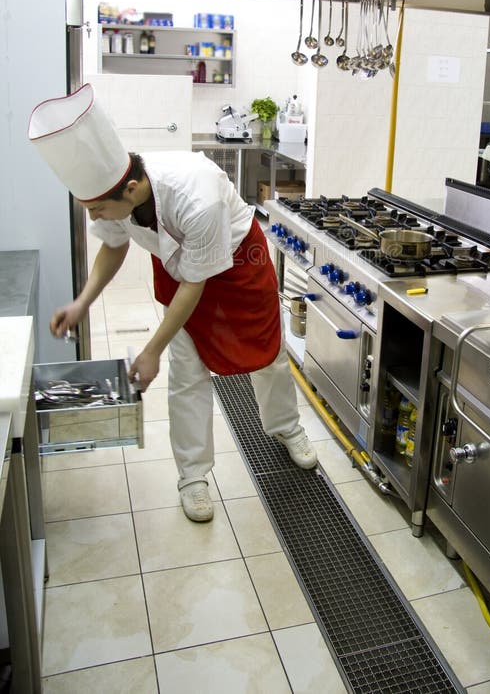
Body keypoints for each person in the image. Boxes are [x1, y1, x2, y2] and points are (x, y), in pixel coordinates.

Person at [28, 84, 317, 522]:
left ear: (129, 190)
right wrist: (82, 303)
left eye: (96, 208)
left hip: (238, 264)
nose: (93, 218)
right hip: (186, 271)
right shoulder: (119, 195)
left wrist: (150, 350)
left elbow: (195, 287)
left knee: (269, 354)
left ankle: (286, 428)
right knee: (188, 372)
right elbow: (113, 247)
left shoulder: (193, 195)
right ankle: (194, 477)